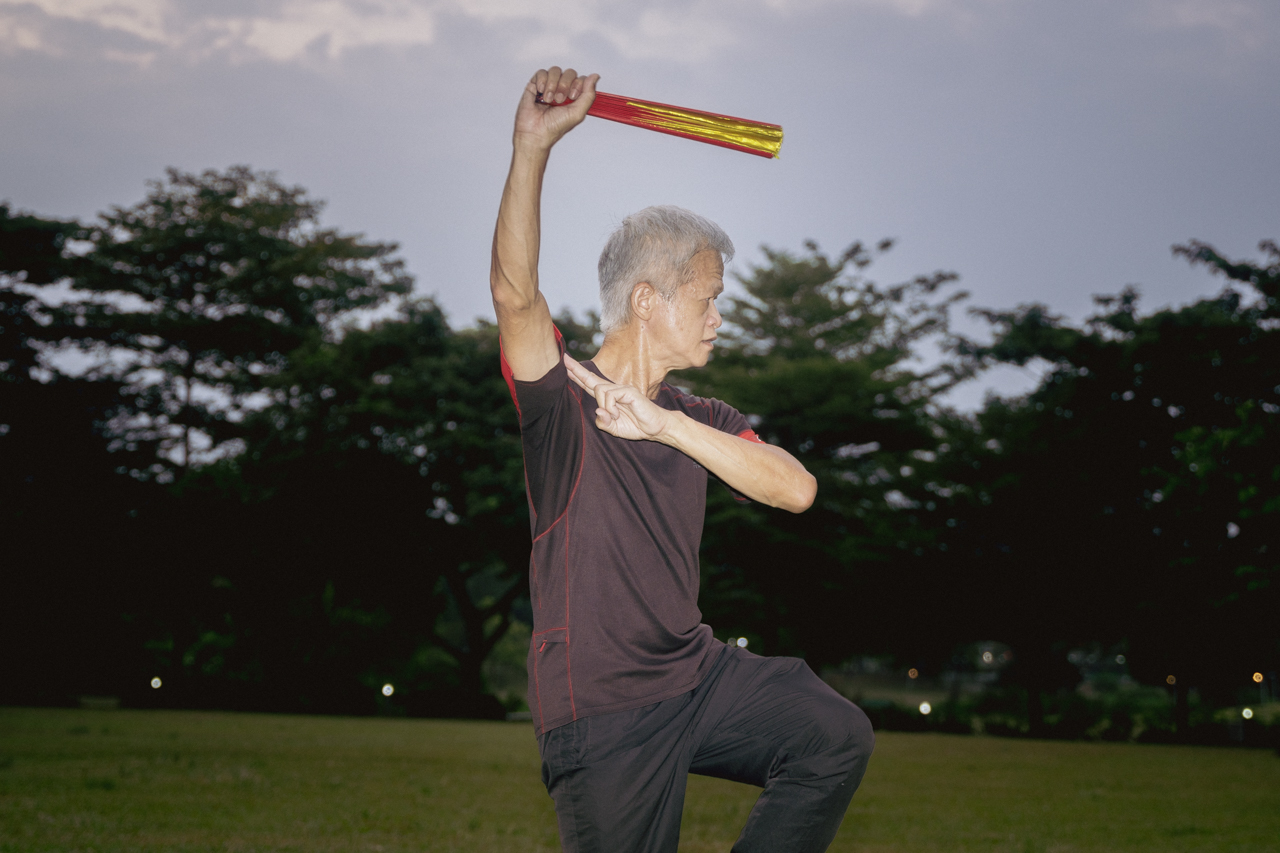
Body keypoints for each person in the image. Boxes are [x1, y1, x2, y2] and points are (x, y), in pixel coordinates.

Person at [490, 66, 874, 853]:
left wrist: (667, 429)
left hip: (695, 676)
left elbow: (796, 489)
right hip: (604, 707)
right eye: (708, 297)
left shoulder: (702, 417)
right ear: (646, 299)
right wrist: (532, 147)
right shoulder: (563, 402)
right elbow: (515, 296)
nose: (719, 317)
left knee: (832, 735)